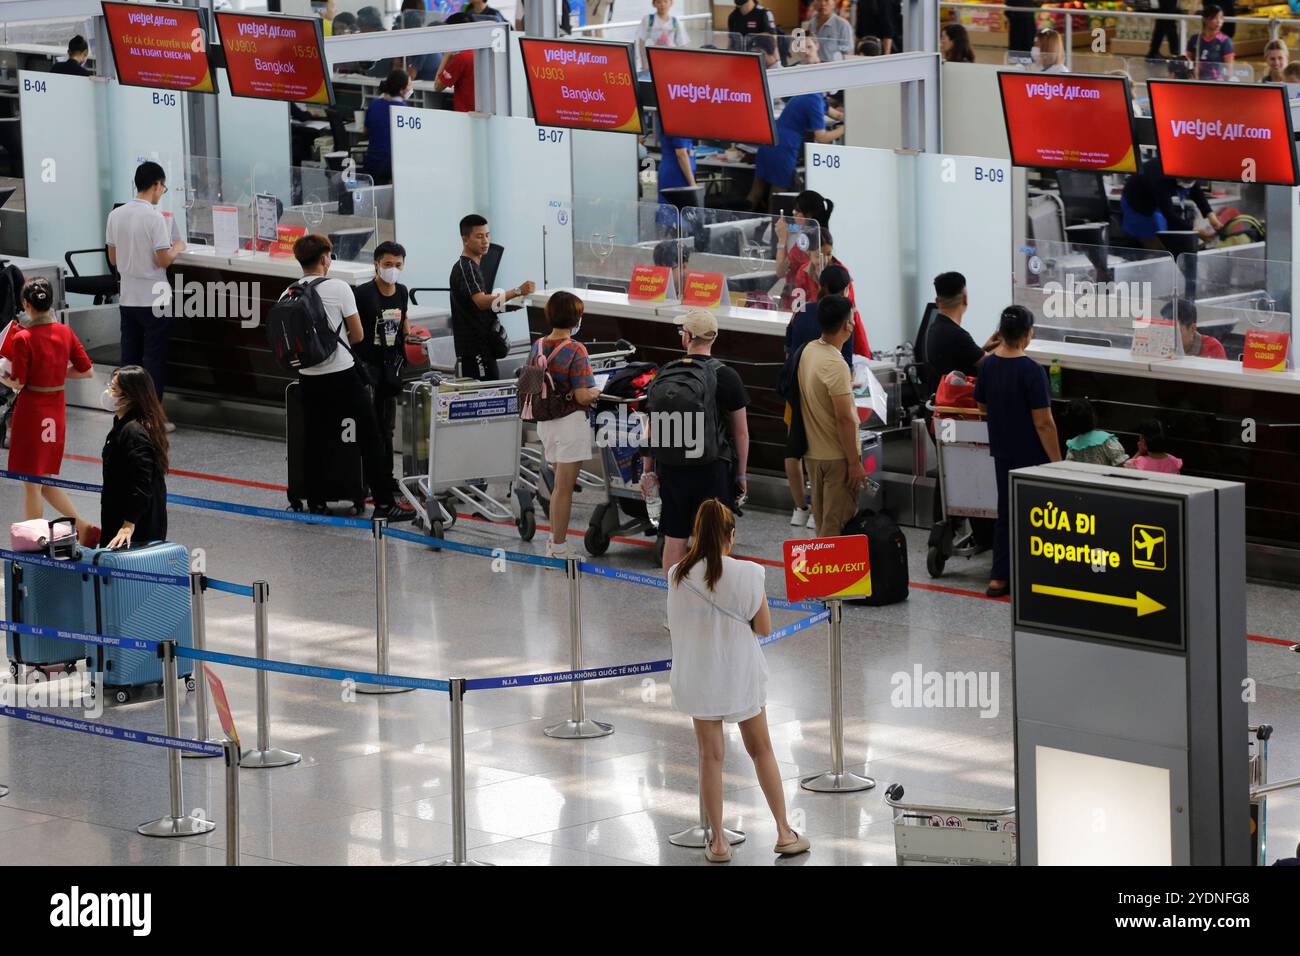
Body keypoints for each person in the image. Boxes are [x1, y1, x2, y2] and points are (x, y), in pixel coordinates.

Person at [665, 498, 809, 864]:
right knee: (761, 750)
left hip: (699, 676)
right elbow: (763, 627)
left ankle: (718, 842)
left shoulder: (678, 574)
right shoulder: (749, 573)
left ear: (696, 533)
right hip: (740, 674)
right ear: (732, 534)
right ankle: (783, 831)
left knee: (710, 757)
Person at [285, 233, 406, 519]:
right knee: (370, 436)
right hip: (342, 375)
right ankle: (384, 503)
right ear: (325, 259)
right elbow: (359, 334)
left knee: (314, 438)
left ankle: (315, 501)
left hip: (308, 376)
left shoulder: (288, 292)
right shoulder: (338, 288)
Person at [641, 310, 750, 573]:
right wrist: (741, 476)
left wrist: (648, 471)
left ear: (687, 337)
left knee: (674, 537)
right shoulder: (727, 377)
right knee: (715, 538)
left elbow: (651, 426)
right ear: (714, 337)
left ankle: (673, 600)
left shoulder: (665, 373)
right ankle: (712, 596)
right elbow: (741, 433)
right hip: (712, 467)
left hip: (671, 467)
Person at [973, 305, 1061, 597]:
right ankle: (1036, 574)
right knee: (1039, 516)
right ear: (1027, 334)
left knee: (1005, 513)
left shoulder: (987, 366)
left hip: (1002, 450)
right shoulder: (1032, 371)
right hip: (1032, 454)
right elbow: (1044, 423)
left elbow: (982, 406)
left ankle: (999, 577)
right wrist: (1057, 462)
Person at [0, 278, 97, 542]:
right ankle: (84, 527)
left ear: (26, 304)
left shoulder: (23, 338)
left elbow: (18, 381)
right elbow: (87, 370)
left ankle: (34, 540)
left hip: (32, 411)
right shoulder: (65, 332)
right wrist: (56, 373)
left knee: (31, 483)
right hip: (55, 410)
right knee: (42, 480)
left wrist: (2, 375)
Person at [780, 263, 854, 528]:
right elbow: (847, 364)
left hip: (796, 389)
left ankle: (800, 508)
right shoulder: (842, 318)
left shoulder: (802, 310)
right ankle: (817, 513)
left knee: (794, 447)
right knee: (823, 450)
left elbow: (788, 347)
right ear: (846, 289)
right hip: (826, 396)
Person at [105, 161, 185, 402]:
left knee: (129, 360)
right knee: (153, 362)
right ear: (157, 185)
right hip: (155, 299)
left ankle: (128, 409)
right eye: (163, 187)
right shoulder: (154, 217)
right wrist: (178, 247)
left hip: (128, 297)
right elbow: (163, 260)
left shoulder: (115, 215)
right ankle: (153, 416)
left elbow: (112, 257)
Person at [531, 292, 599, 559]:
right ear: (575, 318)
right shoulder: (575, 349)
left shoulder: (538, 345)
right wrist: (596, 392)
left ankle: (553, 542)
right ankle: (558, 549)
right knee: (563, 489)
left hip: (546, 422)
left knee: (559, 486)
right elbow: (582, 395)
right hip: (569, 423)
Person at [794, 294, 865, 537]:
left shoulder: (809, 351)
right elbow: (844, 418)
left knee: (823, 524)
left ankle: (819, 576)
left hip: (814, 455)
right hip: (837, 458)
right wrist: (854, 464)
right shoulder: (836, 364)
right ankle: (833, 577)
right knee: (835, 530)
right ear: (847, 326)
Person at [749, 41, 844, 207]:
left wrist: (852, 115)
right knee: (777, 197)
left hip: (770, 139)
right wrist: (844, 128)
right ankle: (774, 230)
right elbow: (821, 137)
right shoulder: (814, 100)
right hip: (784, 147)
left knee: (756, 192)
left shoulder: (812, 95)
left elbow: (835, 114)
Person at [450, 214, 535, 381]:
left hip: (486, 348)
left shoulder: (476, 266)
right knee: (482, 397)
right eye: (479, 236)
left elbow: (478, 304)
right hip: (474, 350)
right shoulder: (466, 267)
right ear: (465, 240)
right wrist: (517, 290)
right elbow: (481, 302)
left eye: (487, 235)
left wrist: (508, 304)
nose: (485, 241)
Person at [99, 366, 170, 550]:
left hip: (135, 525)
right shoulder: (122, 424)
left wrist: (128, 524)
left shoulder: (134, 432)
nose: (108, 392)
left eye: (114, 389)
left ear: (131, 396)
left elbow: (142, 482)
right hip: (119, 511)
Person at [354, 241, 410, 476]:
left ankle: (386, 477)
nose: (393, 269)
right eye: (388, 264)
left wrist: (411, 338)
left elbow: (404, 320)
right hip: (367, 367)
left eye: (398, 264)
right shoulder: (363, 293)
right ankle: (367, 477)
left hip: (390, 368)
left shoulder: (402, 291)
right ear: (376, 264)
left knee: (387, 427)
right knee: (370, 426)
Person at [1120, 158, 1221, 250]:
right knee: (1156, 248)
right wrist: (1196, 232)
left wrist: (1212, 217)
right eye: (1185, 180)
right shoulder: (1161, 178)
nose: (1188, 183)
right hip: (1136, 202)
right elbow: (1169, 216)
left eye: (1192, 180)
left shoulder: (1188, 168)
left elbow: (1197, 192)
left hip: (1154, 201)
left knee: (1164, 238)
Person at [363, 69, 409, 186]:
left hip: (372, 163)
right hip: (391, 167)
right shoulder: (404, 111)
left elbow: (366, 131)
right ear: (402, 91)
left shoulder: (374, 104)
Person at [1062, 398, 1129, 467]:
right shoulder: (1106, 440)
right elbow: (1122, 464)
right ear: (1092, 416)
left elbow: (1069, 468)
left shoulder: (1072, 446)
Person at [436, 12, 477, 113]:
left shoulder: (461, 58)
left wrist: (446, 57)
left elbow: (437, 86)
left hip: (465, 117)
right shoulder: (483, 54)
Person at [636, 0, 690, 69]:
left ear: (671, 3)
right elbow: (641, 43)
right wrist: (644, 64)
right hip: (652, 60)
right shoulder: (648, 20)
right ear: (654, 4)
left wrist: (681, 64)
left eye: (665, 1)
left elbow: (683, 45)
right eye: (659, 2)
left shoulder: (675, 22)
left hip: (671, 61)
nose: (662, 4)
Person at [1186, 6, 1235, 81]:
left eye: (1221, 18)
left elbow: (1229, 70)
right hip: (1196, 82)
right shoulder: (1194, 39)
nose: (1219, 21)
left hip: (1216, 84)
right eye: (1215, 18)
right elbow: (1187, 62)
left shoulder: (1225, 41)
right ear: (1205, 19)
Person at [656, 116, 696, 206]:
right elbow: (681, 154)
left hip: (670, 170)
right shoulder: (679, 119)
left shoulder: (667, 115)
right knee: (676, 211)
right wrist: (692, 184)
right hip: (677, 174)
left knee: (669, 210)